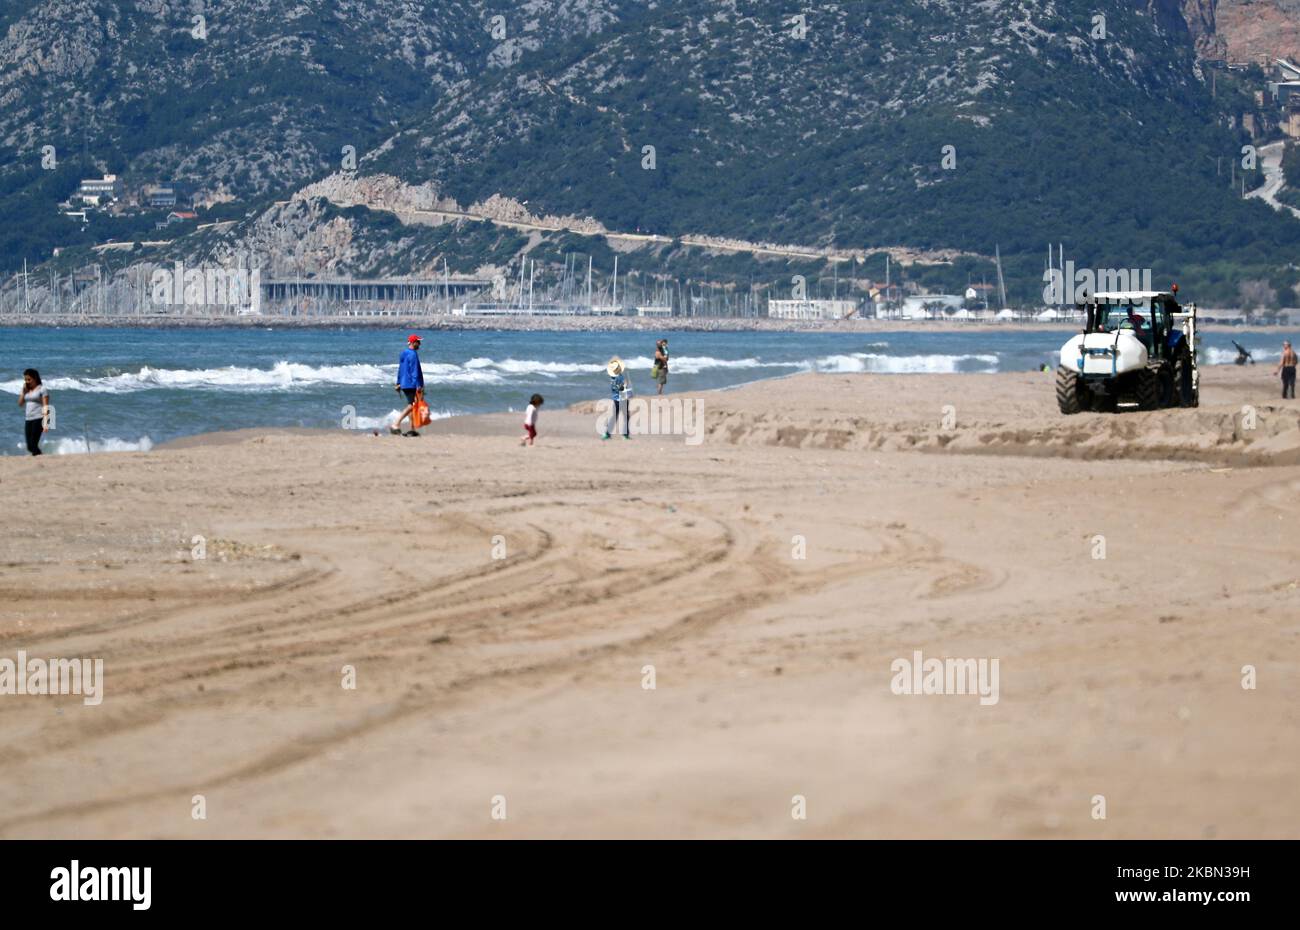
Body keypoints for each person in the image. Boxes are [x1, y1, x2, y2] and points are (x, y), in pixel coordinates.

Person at [391, 334, 425, 436]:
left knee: (412, 405)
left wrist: (398, 383)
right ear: (413, 342)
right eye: (418, 342)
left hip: (404, 383)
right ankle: (396, 424)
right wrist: (418, 385)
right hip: (411, 384)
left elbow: (400, 369)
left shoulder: (403, 353)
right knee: (412, 405)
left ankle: (412, 429)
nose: (420, 344)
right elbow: (415, 371)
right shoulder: (413, 354)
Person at [17, 368, 49, 456]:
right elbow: (20, 404)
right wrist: (23, 392)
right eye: (25, 379)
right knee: (29, 446)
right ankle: (39, 456)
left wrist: (47, 423)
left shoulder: (42, 389)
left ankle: (39, 458)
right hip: (28, 419)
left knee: (33, 444)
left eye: (29, 379)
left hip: (39, 418)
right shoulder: (25, 390)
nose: (27, 381)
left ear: (35, 378)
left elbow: (46, 406)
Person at [602, 357, 631, 440]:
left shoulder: (612, 377)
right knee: (626, 416)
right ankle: (625, 435)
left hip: (615, 398)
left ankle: (607, 433)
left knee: (614, 416)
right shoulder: (619, 377)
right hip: (621, 398)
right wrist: (626, 384)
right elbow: (621, 388)